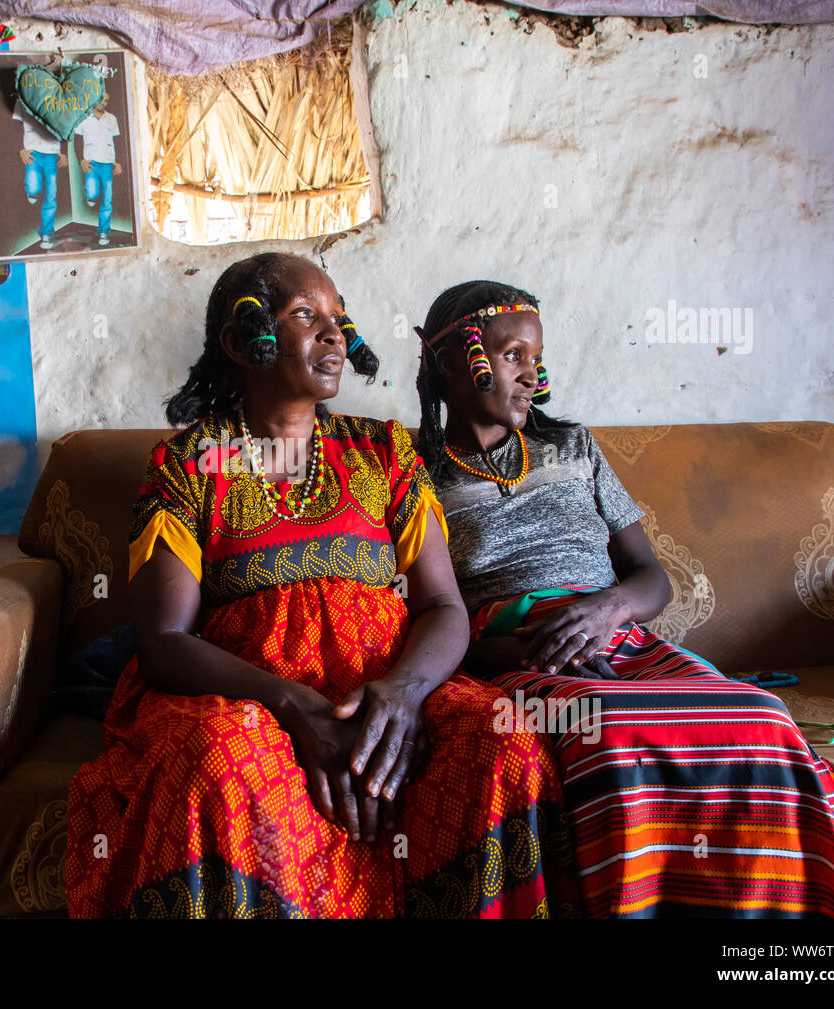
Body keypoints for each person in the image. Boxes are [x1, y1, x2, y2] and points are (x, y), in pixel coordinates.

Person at [66, 254, 581, 918]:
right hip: (251, 698)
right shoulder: (188, 466)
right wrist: (294, 706)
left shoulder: (385, 453)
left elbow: (444, 608)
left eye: (338, 318)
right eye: (307, 315)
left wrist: (402, 695)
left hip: (384, 690)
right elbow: (163, 639)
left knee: (501, 739)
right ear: (240, 339)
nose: (334, 334)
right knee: (216, 756)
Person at [414, 279, 834, 918]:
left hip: (616, 637)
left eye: (537, 360)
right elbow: (426, 612)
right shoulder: (416, 472)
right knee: (609, 732)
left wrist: (607, 610)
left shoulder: (573, 448)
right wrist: (514, 649)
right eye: (513, 355)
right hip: (516, 651)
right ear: (449, 360)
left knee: (761, 719)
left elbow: (649, 577)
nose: (531, 376)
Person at [12, 97, 66, 251]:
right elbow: (15, 124)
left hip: (52, 153)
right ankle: (32, 191)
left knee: (51, 193)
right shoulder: (22, 100)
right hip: (32, 151)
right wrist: (20, 149)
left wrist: (63, 152)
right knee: (34, 188)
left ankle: (46, 233)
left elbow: (65, 126)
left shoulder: (58, 97)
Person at [73, 95, 120, 246]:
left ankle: (104, 231)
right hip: (91, 161)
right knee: (93, 192)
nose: (103, 103)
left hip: (107, 162)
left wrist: (118, 162)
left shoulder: (111, 119)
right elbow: (77, 139)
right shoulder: (83, 117)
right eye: (101, 99)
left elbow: (117, 141)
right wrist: (81, 160)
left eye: (106, 100)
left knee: (107, 198)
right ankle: (90, 195)